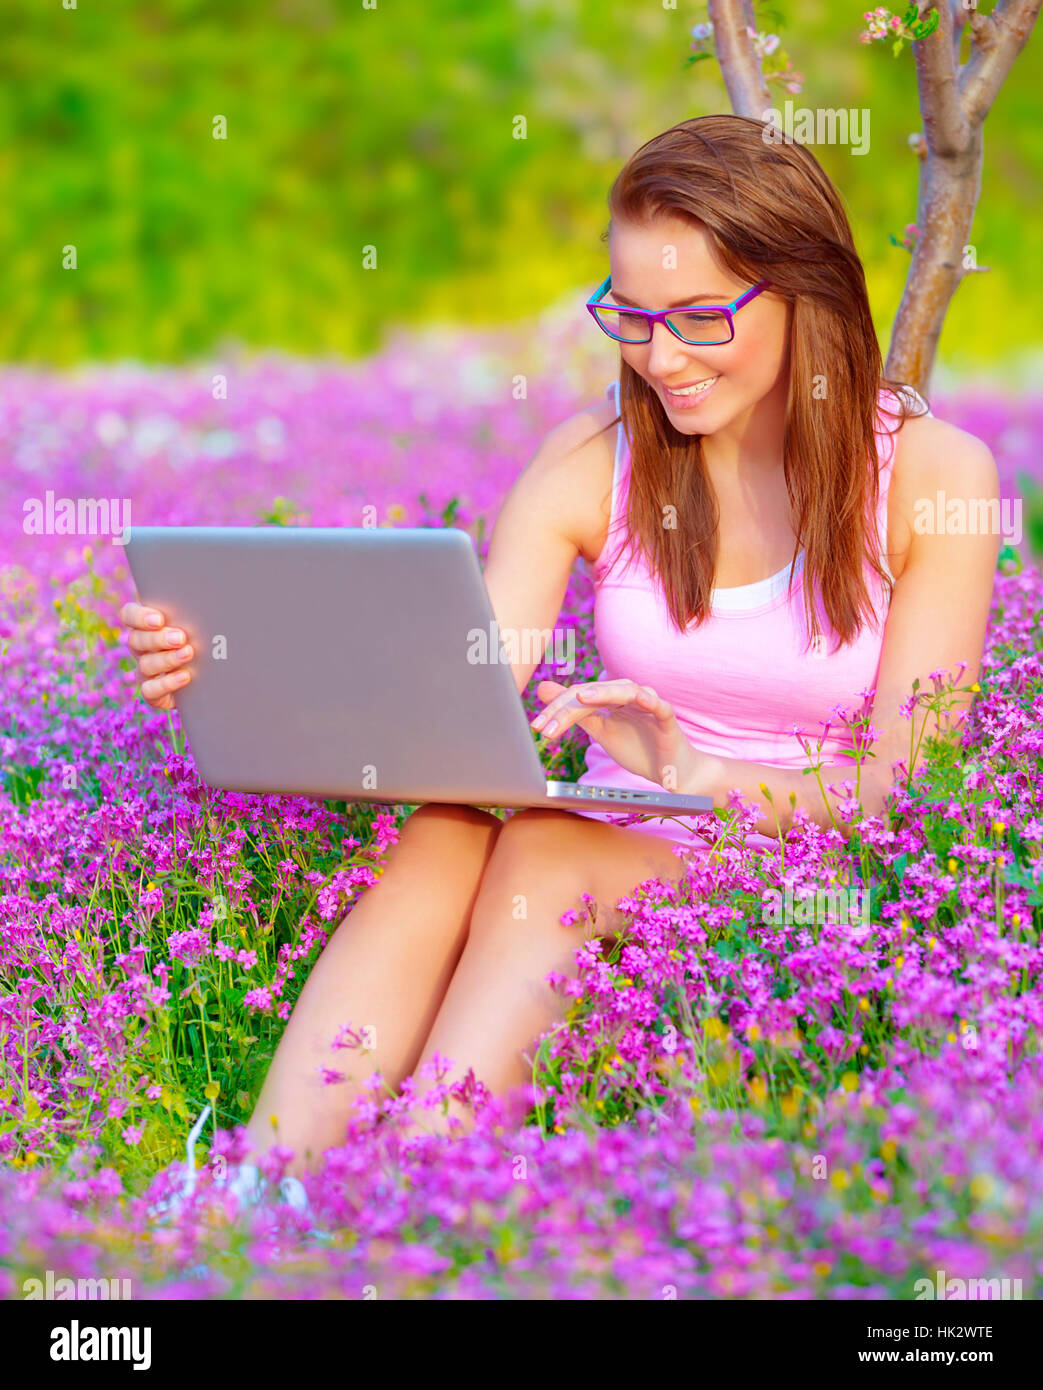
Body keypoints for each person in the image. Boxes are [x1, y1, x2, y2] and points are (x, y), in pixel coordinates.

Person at [119, 114, 999, 1179]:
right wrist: (230, 668)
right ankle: (262, 1185)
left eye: (698, 318)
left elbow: (897, 791)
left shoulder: (933, 479)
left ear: (802, 290)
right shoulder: (594, 459)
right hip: (611, 822)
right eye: (627, 316)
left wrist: (698, 774)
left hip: (793, 856)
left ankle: (415, 1187)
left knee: (544, 847)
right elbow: (456, 694)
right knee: (447, 825)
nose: (657, 358)